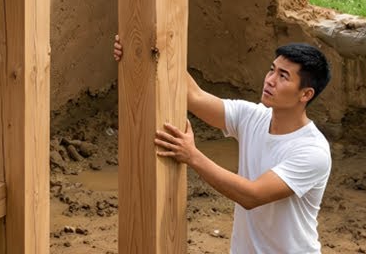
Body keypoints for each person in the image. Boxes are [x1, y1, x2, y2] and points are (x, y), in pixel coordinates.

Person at [114, 35, 333, 253]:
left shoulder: (312, 151)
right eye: (271, 69)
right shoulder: (253, 116)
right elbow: (193, 96)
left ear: (305, 94)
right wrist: (140, 53)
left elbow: (252, 195)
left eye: (283, 76)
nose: (270, 80)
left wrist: (192, 156)